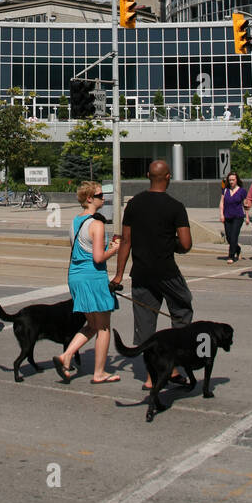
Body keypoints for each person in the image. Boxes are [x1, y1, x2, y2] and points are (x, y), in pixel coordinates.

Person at [113, 161, 193, 388]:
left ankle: (150, 378)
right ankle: (174, 365)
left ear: (148, 175)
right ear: (168, 176)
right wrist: (172, 245)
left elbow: (125, 241)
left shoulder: (134, 204)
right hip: (167, 273)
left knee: (145, 326)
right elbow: (186, 244)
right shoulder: (175, 206)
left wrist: (119, 276)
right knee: (182, 313)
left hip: (140, 273)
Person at [55, 182, 122, 383]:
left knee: (91, 324)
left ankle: (66, 356)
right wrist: (114, 249)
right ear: (90, 199)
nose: (104, 198)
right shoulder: (97, 224)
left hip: (76, 276)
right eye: (101, 195)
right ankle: (99, 373)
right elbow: (98, 258)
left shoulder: (75, 221)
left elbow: (78, 250)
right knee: (103, 327)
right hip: (94, 278)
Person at [219, 171, 247, 264]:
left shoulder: (242, 191)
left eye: (233, 180)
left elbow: (245, 204)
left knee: (234, 235)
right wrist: (221, 215)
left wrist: (247, 217)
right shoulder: (225, 190)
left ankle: (231, 256)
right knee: (229, 237)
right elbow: (222, 203)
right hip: (227, 216)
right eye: (230, 180)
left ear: (237, 180)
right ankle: (237, 249)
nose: (231, 182)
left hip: (238, 216)